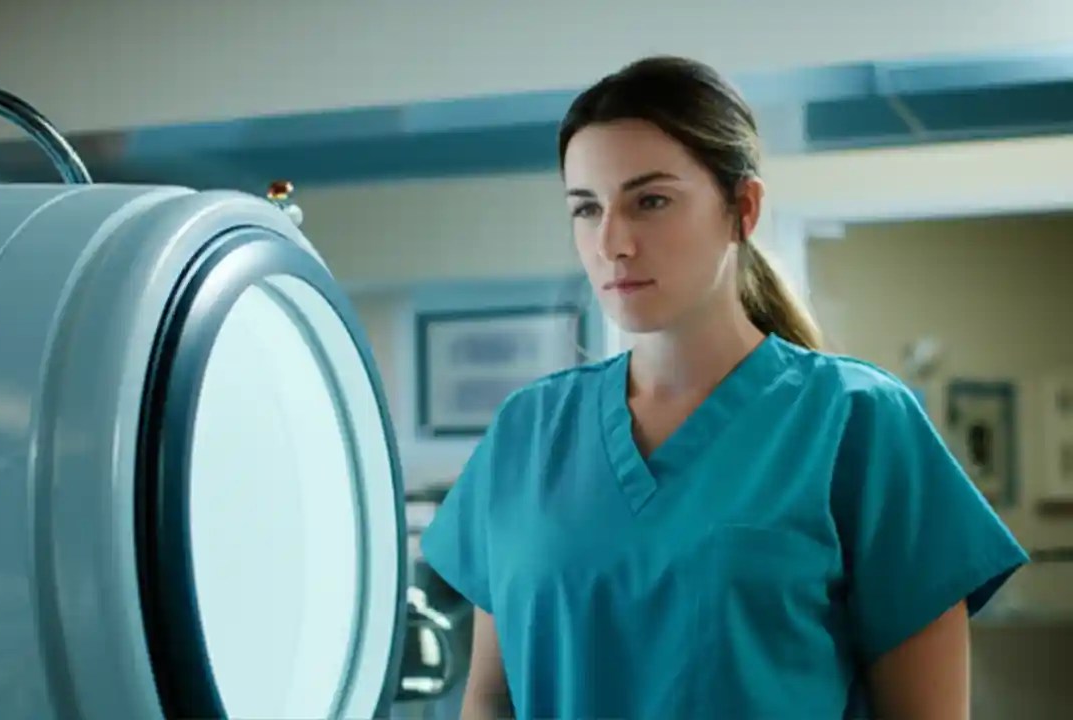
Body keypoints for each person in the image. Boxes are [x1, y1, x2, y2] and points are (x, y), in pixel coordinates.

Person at [418, 55, 1029, 720]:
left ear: (743, 208)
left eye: (650, 201)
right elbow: (489, 698)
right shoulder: (528, 432)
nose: (613, 242)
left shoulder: (857, 423)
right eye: (587, 209)